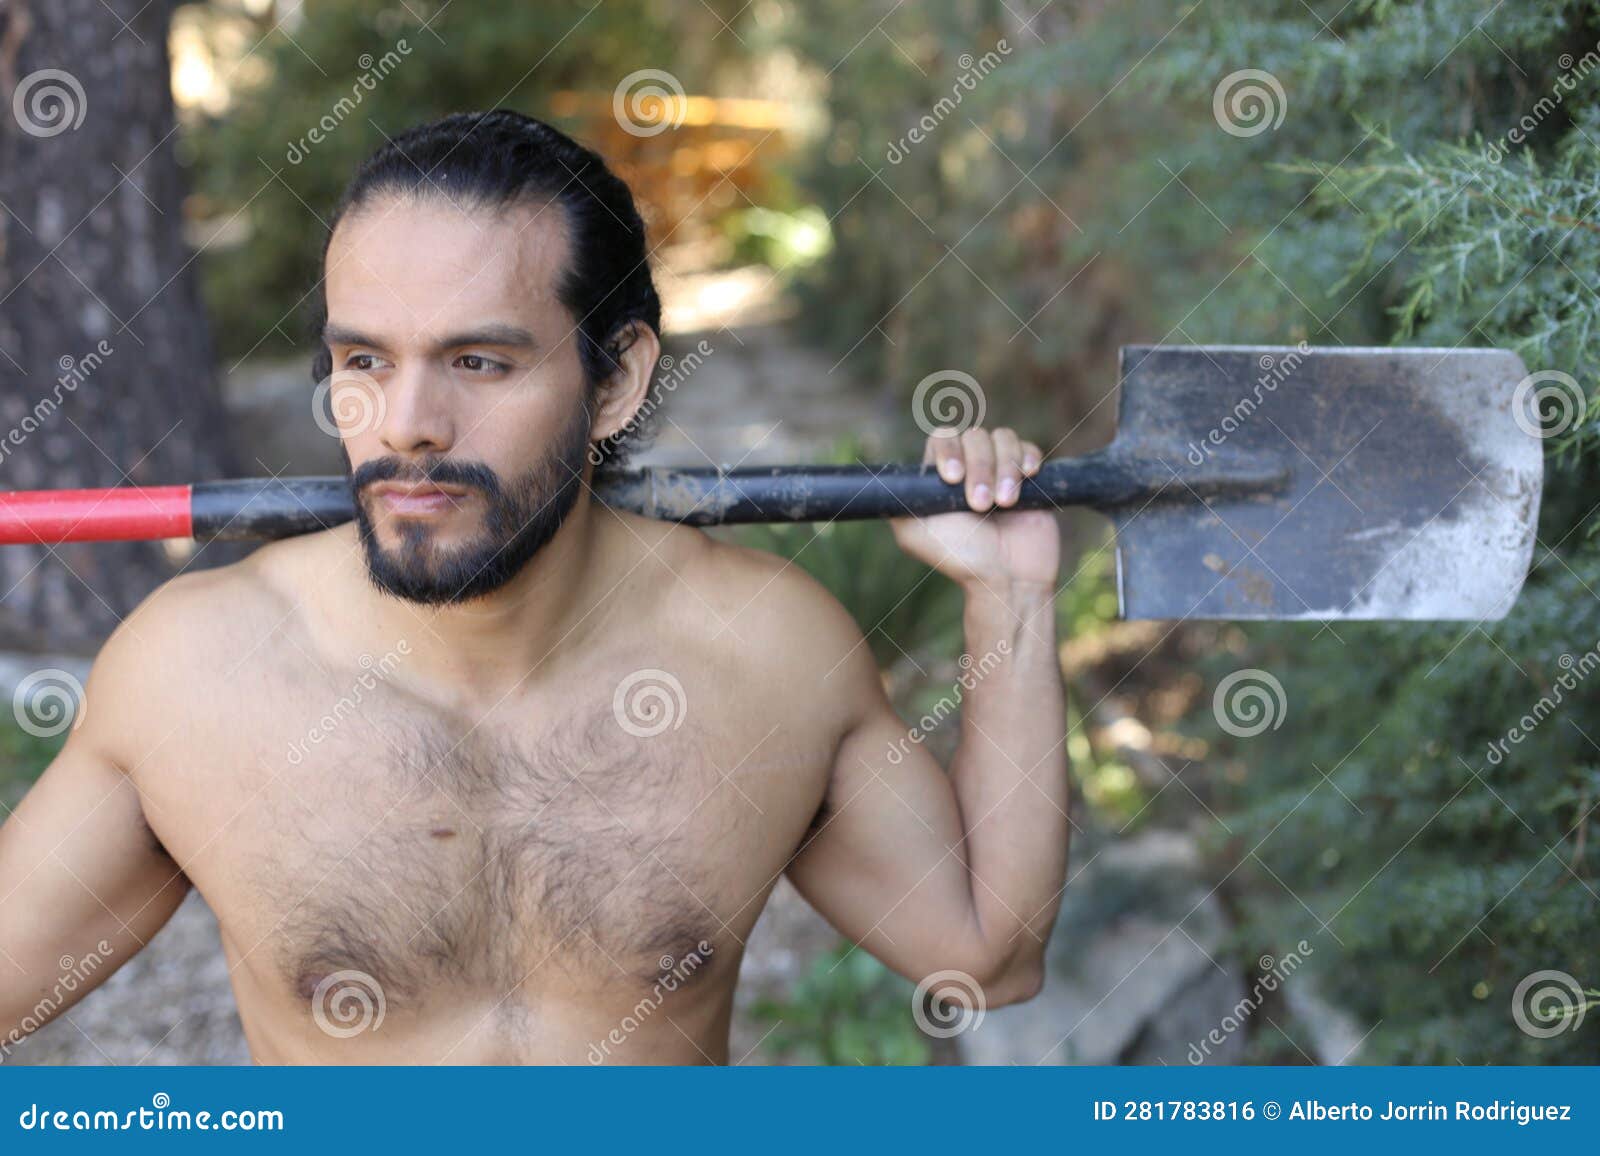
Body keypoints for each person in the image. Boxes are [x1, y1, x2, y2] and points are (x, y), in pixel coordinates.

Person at [0, 111, 1069, 1064]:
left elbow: (988, 956)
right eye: (364, 361)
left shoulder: (765, 652)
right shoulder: (195, 673)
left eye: (478, 362)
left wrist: (1010, 598)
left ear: (616, 380)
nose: (407, 424)